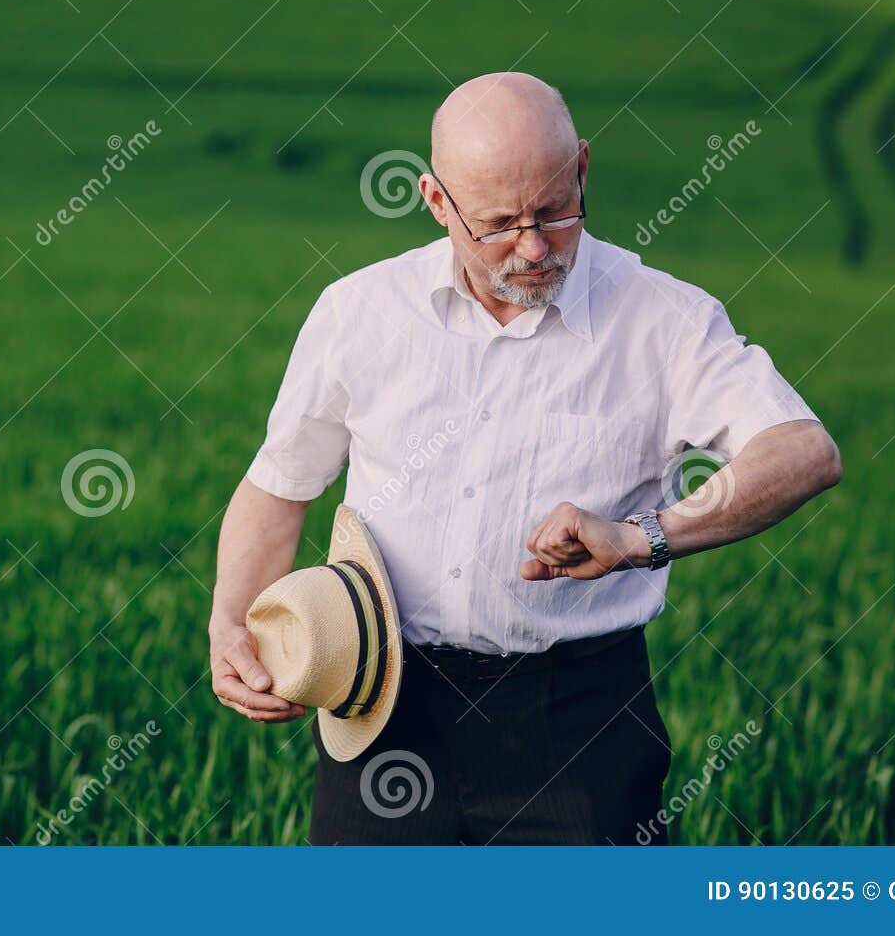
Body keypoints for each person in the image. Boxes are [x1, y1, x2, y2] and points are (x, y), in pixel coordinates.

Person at [208, 71, 841, 844]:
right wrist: (229, 622)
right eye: (501, 224)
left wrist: (641, 535)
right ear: (438, 203)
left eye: (555, 210)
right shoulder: (360, 312)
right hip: (379, 703)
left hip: (576, 723)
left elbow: (803, 449)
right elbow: (280, 485)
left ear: (582, 166)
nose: (536, 247)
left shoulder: (665, 321)